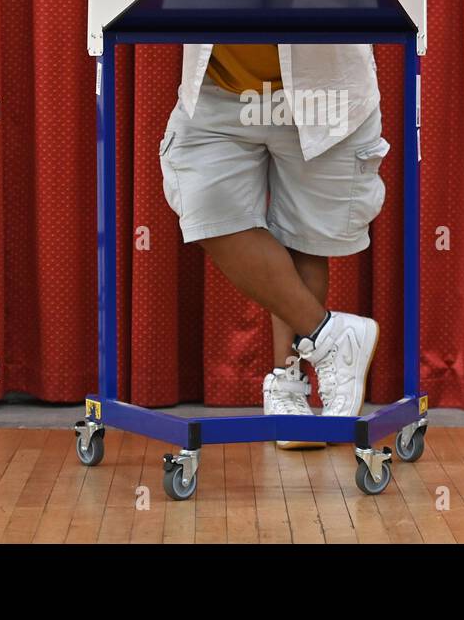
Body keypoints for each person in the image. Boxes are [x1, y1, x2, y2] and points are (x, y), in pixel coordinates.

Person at [159, 41, 388, 448]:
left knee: (307, 234)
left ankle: (288, 386)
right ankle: (331, 336)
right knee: (206, 208)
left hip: (324, 91)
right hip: (219, 91)